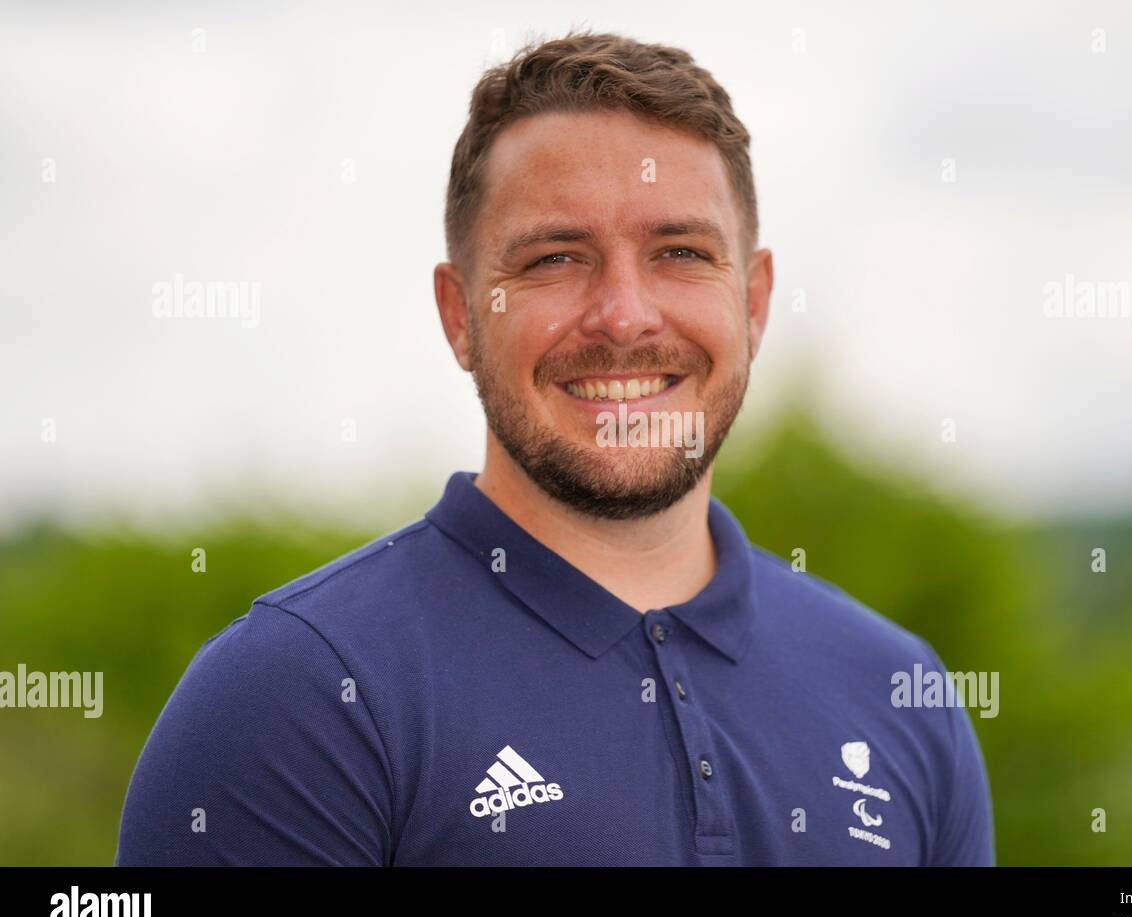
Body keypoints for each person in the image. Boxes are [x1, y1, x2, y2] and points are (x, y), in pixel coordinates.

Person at [116, 30, 994, 866]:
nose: (623, 316)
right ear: (461, 315)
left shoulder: (900, 692)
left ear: (753, 303)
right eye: (554, 260)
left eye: (680, 252)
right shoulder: (294, 698)